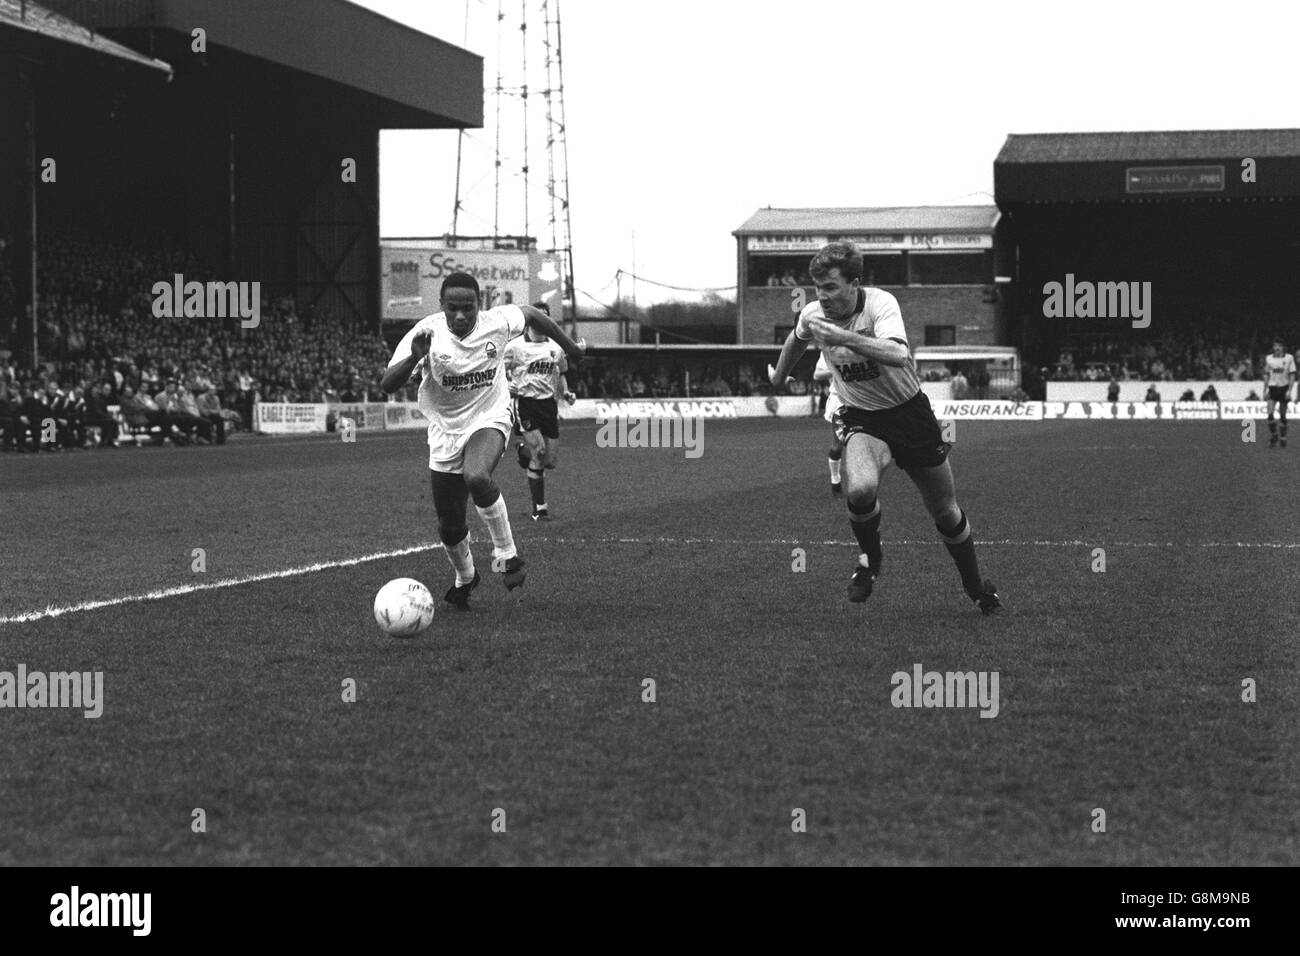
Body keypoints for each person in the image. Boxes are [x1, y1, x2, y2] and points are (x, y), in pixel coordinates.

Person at [767, 241, 1001, 613]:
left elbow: (898, 354)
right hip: (862, 415)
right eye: (817, 288)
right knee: (859, 489)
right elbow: (796, 340)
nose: (821, 297)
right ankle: (870, 561)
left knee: (944, 510)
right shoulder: (812, 314)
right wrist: (779, 376)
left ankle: (976, 586)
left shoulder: (880, 304)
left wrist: (843, 337)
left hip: (910, 415)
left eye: (830, 287)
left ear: (855, 283)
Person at [380, 271, 585, 611]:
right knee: (450, 525)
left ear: (480, 304)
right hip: (445, 431)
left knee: (476, 476)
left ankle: (507, 553)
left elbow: (535, 315)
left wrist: (571, 347)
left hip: (490, 416)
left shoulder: (497, 322)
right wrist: (414, 357)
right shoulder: (424, 334)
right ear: (441, 306)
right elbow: (387, 384)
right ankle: (466, 576)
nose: (460, 316)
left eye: (468, 308)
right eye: (453, 308)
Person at [504, 301, 577, 521]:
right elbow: (498, 371)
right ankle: (539, 508)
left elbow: (562, 372)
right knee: (540, 452)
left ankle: (522, 449)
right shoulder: (514, 347)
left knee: (550, 461)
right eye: (536, 317)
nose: (540, 321)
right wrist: (508, 385)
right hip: (525, 403)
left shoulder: (556, 348)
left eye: (544, 317)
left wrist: (566, 392)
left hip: (549, 405)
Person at [812, 353, 843, 495]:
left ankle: (864, 485)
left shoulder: (863, 341)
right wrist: (837, 369)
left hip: (864, 399)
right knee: (837, 446)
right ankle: (835, 478)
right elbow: (817, 375)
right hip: (840, 400)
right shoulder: (829, 348)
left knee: (865, 443)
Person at [1262, 337, 1295, 448]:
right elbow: (1266, 374)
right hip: (1272, 388)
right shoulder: (1269, 358)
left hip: (1284, 388)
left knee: (1282, 415)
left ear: (1283, 348)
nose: (1277, 348)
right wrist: (1265, 389)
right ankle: (1274, 435)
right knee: (1270, 414)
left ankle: (1283, 437)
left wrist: (1289, 390)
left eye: (1279, 346)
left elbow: (1292, 375)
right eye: (1275, 346)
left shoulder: (1289, 358)